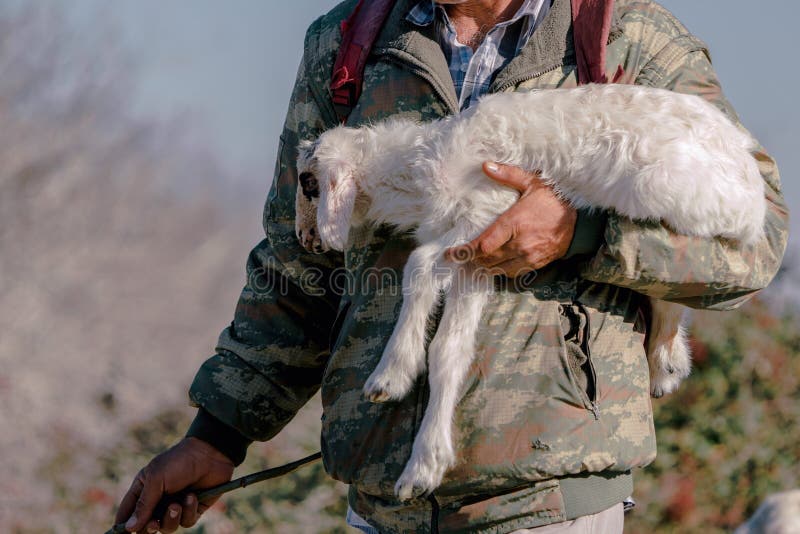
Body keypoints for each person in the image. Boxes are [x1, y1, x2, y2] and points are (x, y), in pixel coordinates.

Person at [114, 0, 789, 533]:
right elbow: (297, 267)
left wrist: (582, 234)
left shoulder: (629, 39)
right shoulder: (346, 45)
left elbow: (753, 246)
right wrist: (217, 435)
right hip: (383, 501)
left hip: (550, 500)